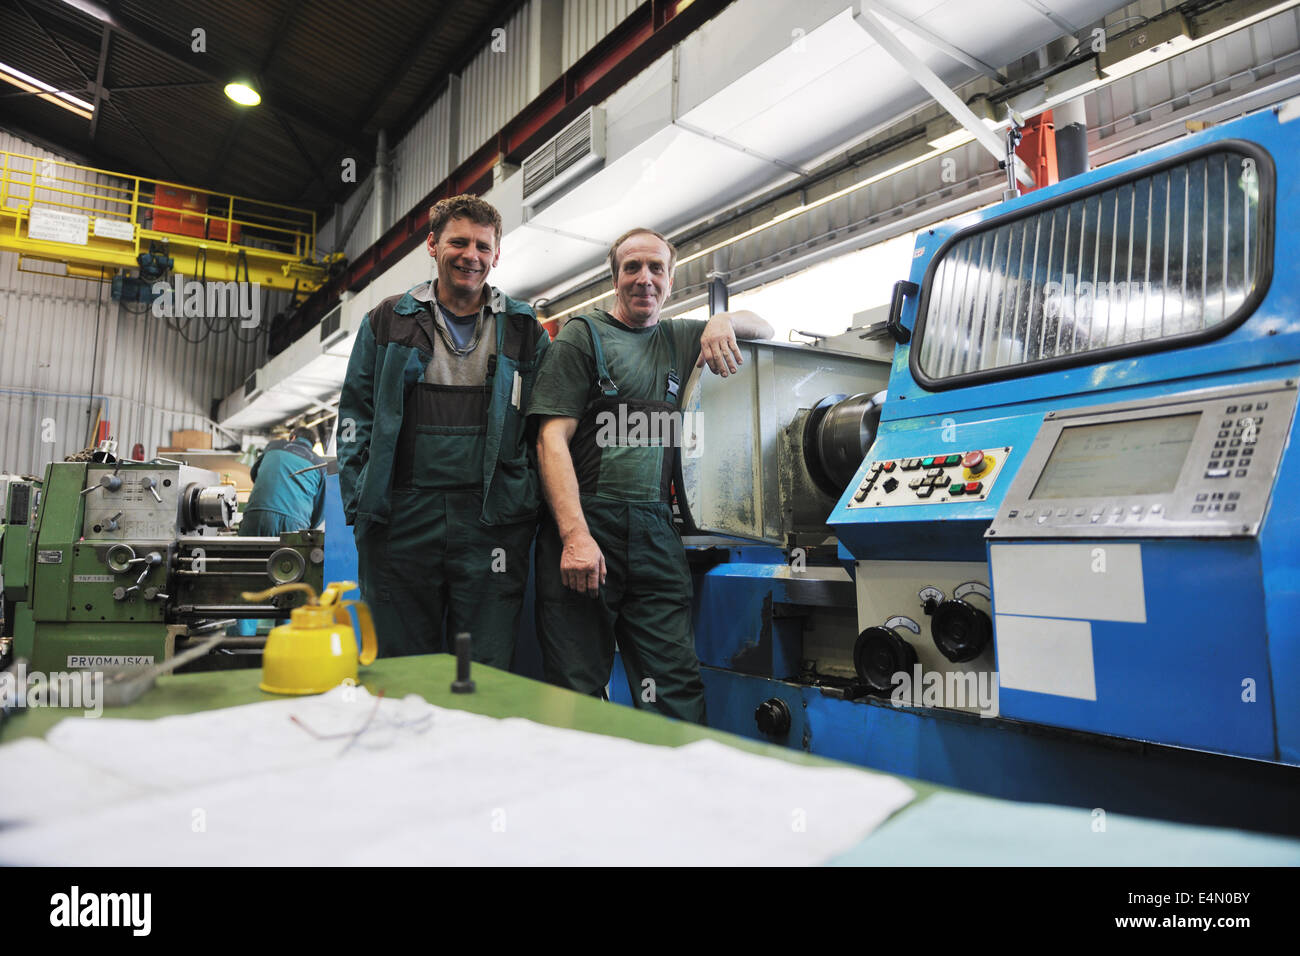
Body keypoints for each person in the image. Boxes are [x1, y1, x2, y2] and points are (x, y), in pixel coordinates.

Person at [527, 227, 773, 722]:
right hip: (587, 531)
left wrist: (721, 319)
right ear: (615, 278)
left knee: (673, 689)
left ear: (670, 276)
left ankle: (674, 793)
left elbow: (763, 326)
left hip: (656, 535)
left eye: (656, 268)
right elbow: (549, 439)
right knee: (578, 693)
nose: (645, 279)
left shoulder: (681, 338)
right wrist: (575, 536)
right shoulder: (584, 336)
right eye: (632, 268)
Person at [337, 194, 549, 666]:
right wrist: (360, 503)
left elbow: (546, 427)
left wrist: (527, 497)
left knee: (482, 665)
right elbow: (355, 415)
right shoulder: (388, 320)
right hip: (401, 520)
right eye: (458, 242)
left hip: (491, 523)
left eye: (482, 246)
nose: (471, 255)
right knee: (400, 661)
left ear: (496, 254)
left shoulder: (523, 328)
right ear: (432, 245)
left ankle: (471, 740)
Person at [238, 427, 326, 536]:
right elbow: (320, 507)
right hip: (294, 522)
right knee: (288, 553)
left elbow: (254, 474)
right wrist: (306, 528)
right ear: (312, 445)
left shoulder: (274, 446)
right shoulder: (320, 464)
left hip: (257, 513)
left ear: (293, 437)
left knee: (245, 552)